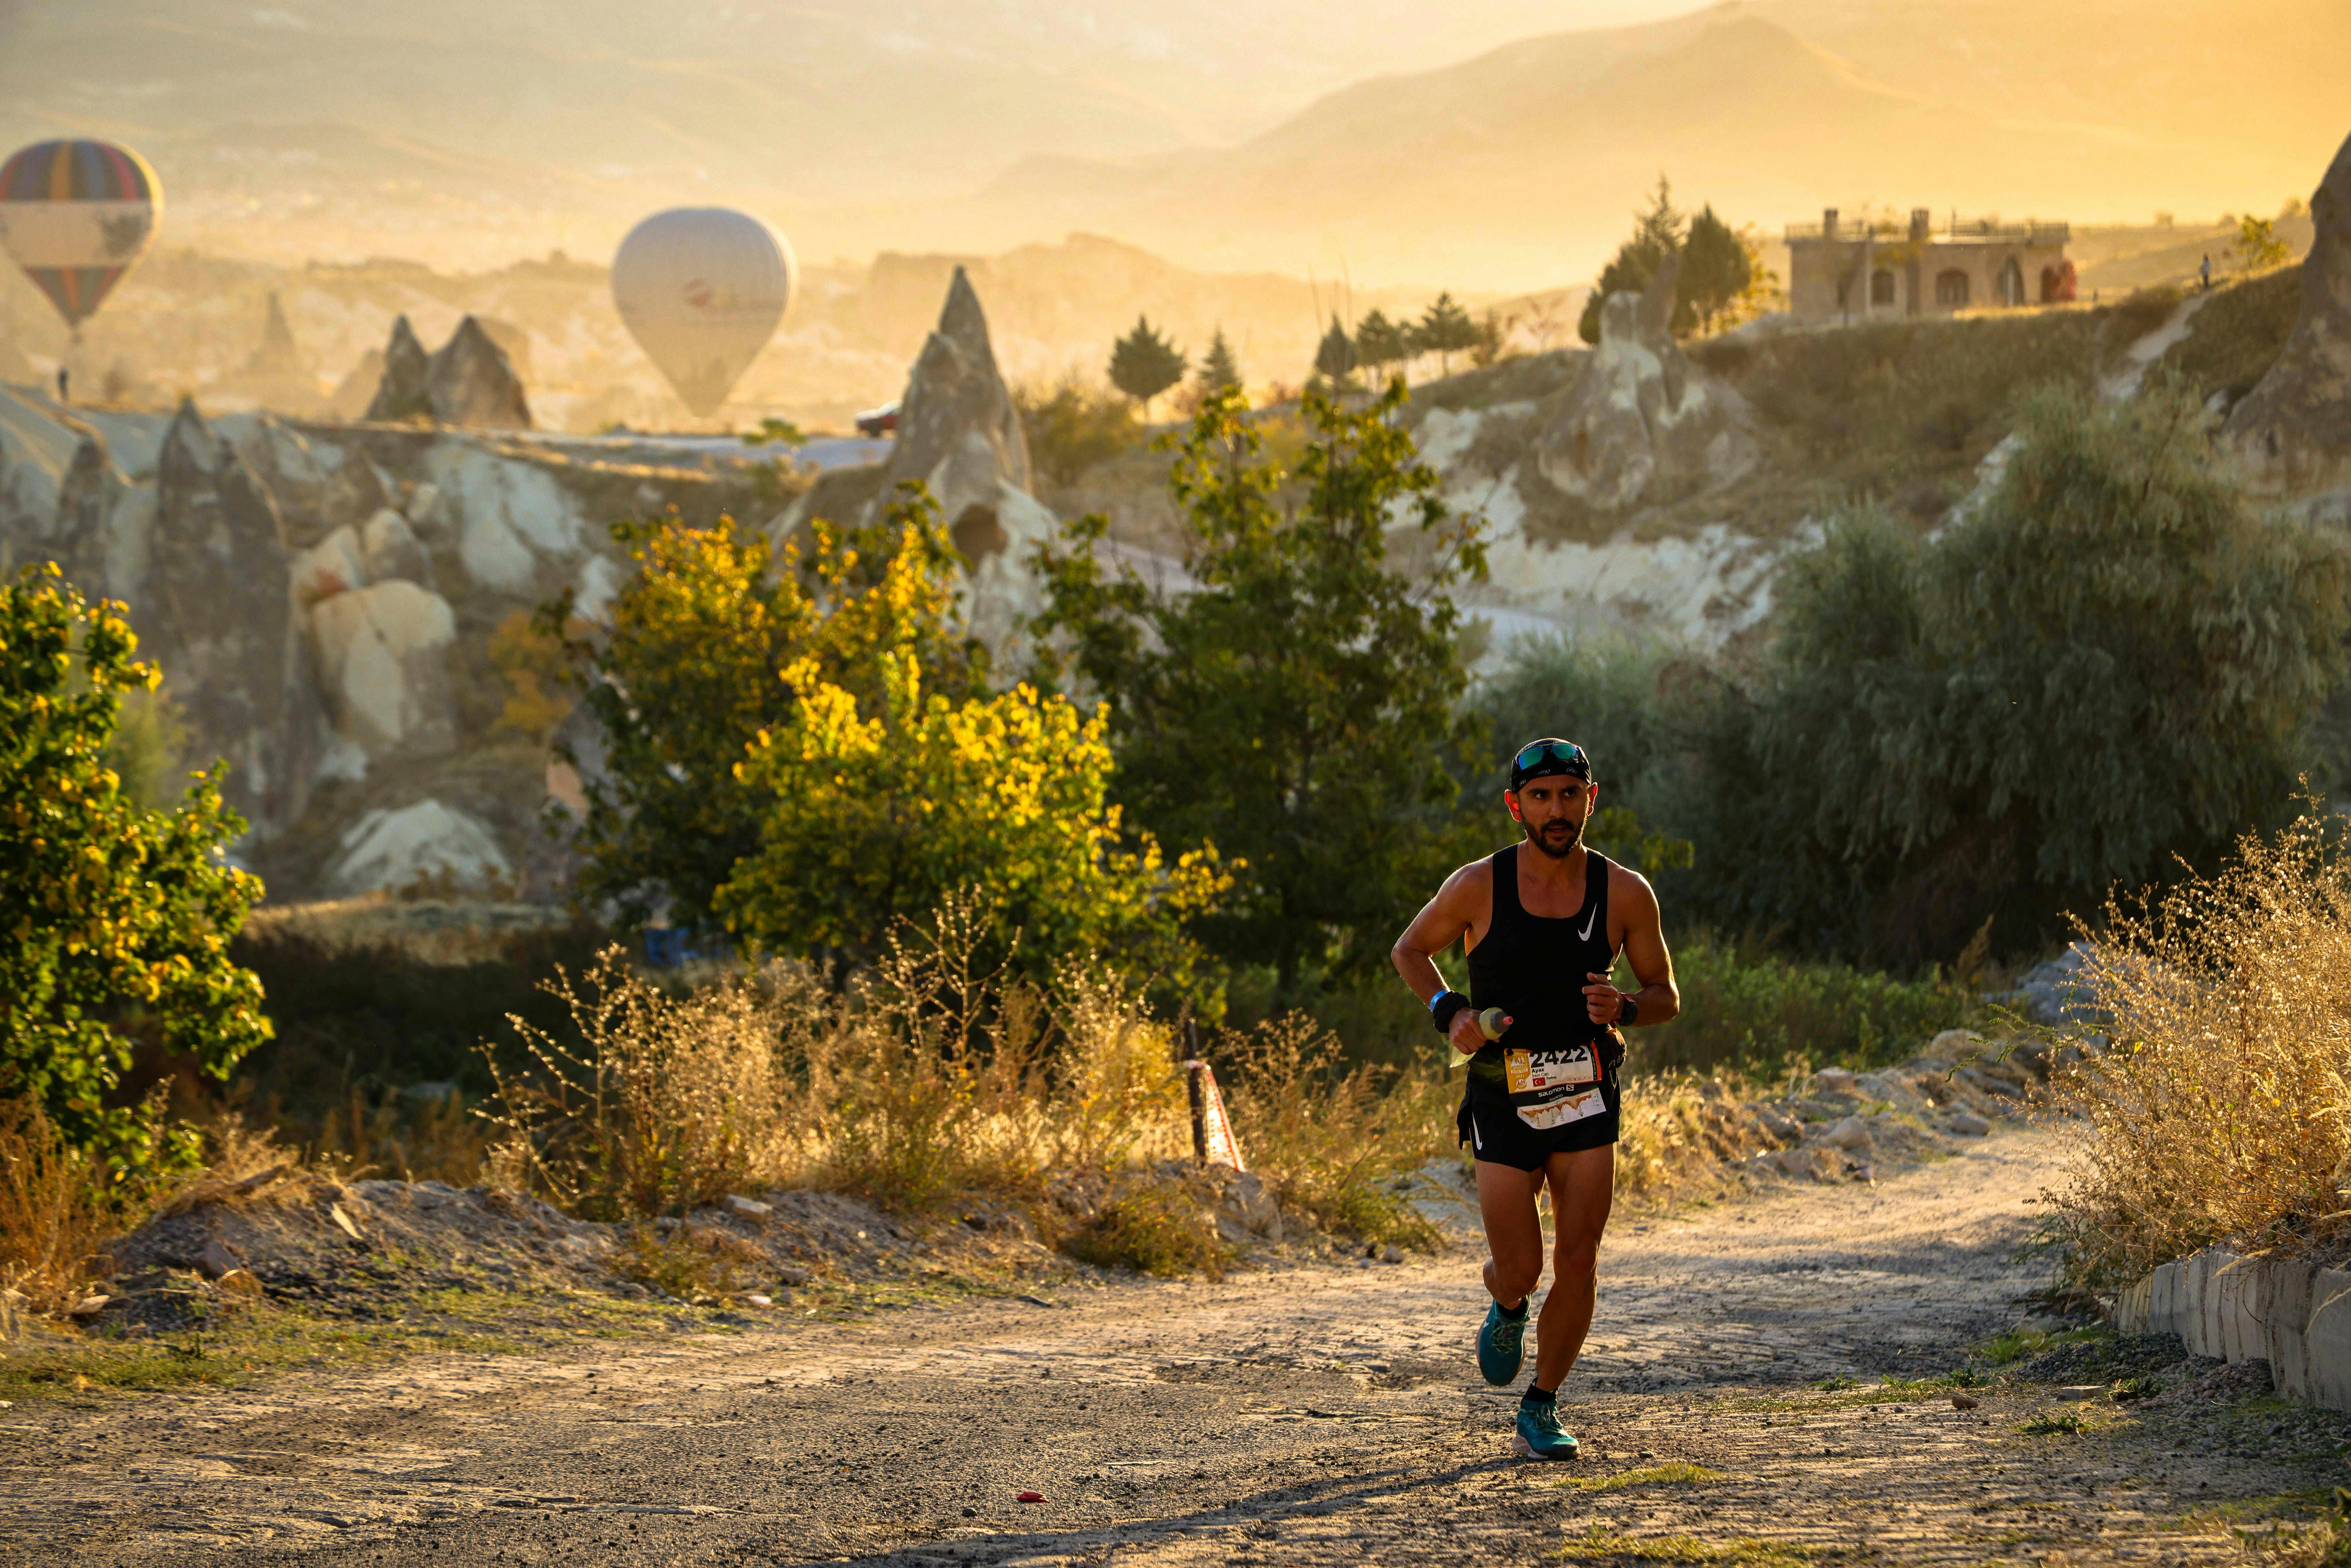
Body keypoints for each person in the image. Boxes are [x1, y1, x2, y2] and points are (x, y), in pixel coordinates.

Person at [1390, 738, 1678, 1460]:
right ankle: (1508, 1303)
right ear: (1517, 806)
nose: (1557, 810)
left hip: (1586, 1091)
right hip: (1502, 1095)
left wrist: (1627, 1008)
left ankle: (1541, 1402)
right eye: (1542, 797)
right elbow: (1409, 949)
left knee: (1579, 1258)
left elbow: (1665, 994)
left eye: (1569, 795)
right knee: (1521, 1265)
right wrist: (1449, 1010)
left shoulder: (1625, 892)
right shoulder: (1477, 884)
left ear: (1591, 798)